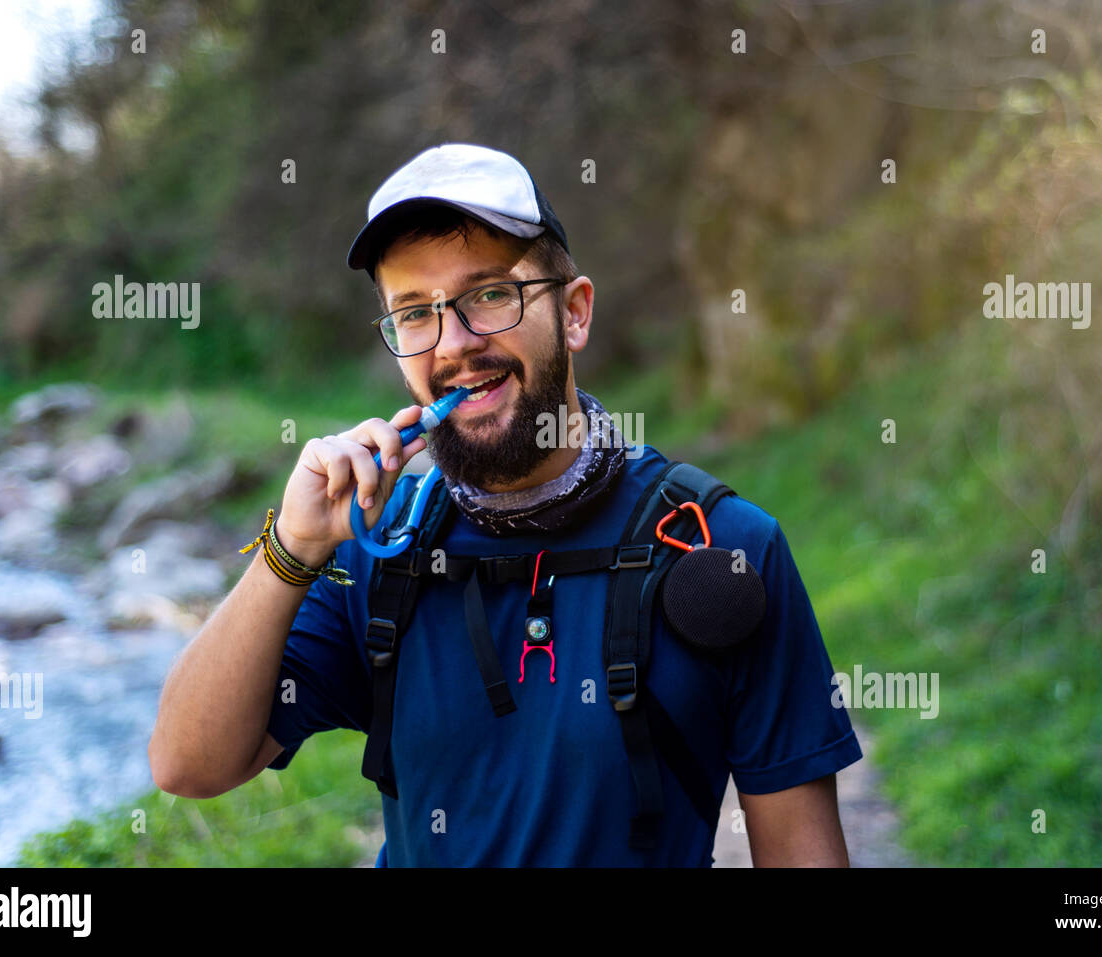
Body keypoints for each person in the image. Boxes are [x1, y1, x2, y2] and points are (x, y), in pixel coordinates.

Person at [148, 143, 862, 867]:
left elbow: (803, 852)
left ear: (574, 312)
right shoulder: (378, 553)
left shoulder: (722, 547)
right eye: (415, 313)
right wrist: (293, 548)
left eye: (489, 293)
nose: (454, 345)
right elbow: (189, 763)